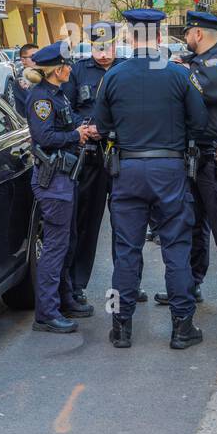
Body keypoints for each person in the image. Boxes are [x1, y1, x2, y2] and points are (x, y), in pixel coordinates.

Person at [92, 8, 208, 349]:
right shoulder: (177, 75)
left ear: (129, 36)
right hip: (169, 169)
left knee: (126, 250)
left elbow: (101, 126)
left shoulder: (113, 76)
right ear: (159, 38)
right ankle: (182, 327)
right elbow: (199, 122)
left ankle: (121, 327)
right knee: (176, 247)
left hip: (127, 169)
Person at [155, 10, 217, 315]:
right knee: (191, 224)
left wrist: (180, 71)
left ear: (198, 33)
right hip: (191, 155)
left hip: (214, 156)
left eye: (187, 33)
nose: (186, 39)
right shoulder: (197, 62)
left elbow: (199, 92)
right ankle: (190, 284)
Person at [24, 41, 100, 333]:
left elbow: (67, 125)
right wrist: (75, 135)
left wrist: (82, 129)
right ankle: (46, 313)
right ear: (57, 70)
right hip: (53, 180)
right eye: (67, 65)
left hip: (64, 179)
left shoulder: (57, 95)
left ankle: (64, 299)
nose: (71, 69)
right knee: (55, 248)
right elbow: (44, 137)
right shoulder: (41, 99)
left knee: (67, 242)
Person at [62, 23, 120, 304]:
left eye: (108, 48)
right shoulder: (78, 71)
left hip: (121, 151)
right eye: (98, 48)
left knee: (126, 222)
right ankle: (77, 283)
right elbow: (66, 109)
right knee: (86, 221)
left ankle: (128, 281)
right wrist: (84, 127)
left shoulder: (124, 70)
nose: (104, 54)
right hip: (91, 154)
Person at [4, 43, 38, 119]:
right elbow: (35, 103)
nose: (38, 59)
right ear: (23, 60)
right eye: (33, 56)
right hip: (30, 122)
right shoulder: (21, 80)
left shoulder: (37, 75)